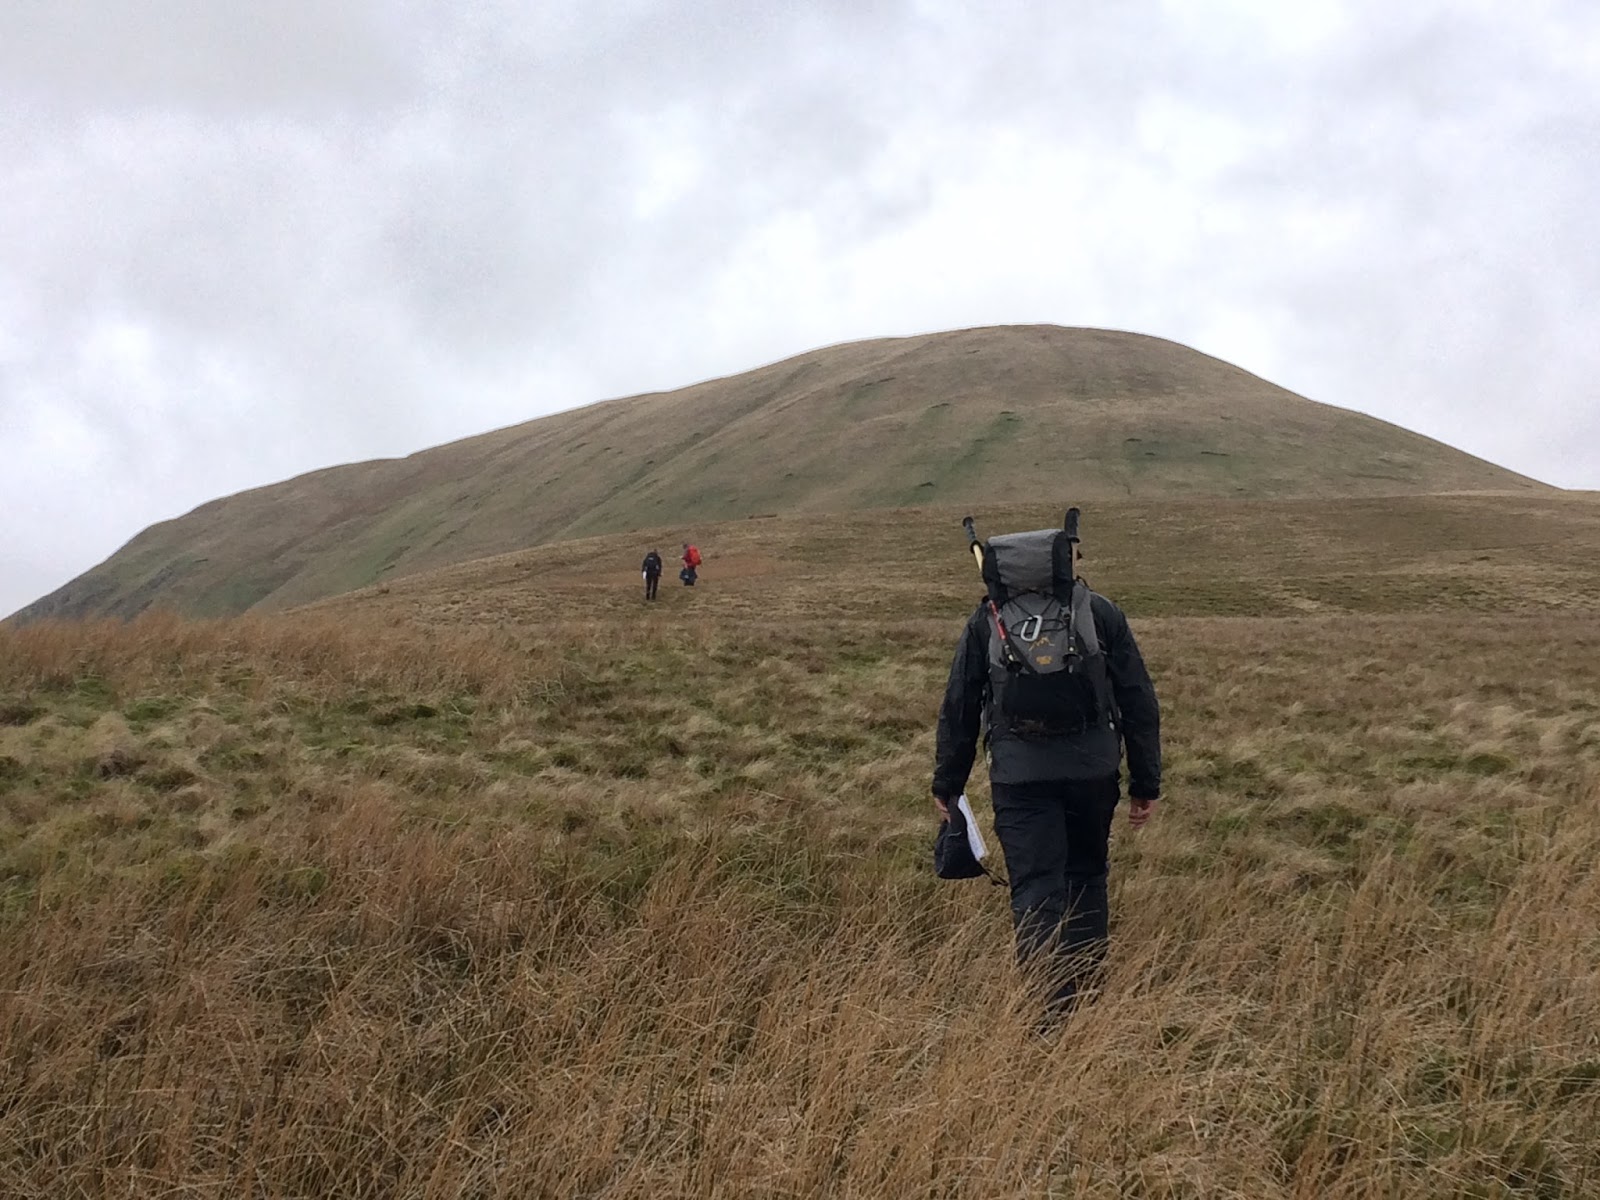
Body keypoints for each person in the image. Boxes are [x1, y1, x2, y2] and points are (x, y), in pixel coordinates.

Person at [932, 544, 1161, 1021]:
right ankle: (1090, 997)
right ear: (1064, 564)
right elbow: (1138, 699)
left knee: (1036, 887)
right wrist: (1145, 782)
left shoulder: (987, 620)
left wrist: (948, 784)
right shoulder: (1099, 612)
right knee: (1087, 876)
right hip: (1093, 773)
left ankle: (1048, 1014)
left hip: (1019, 778)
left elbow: (959, 706)